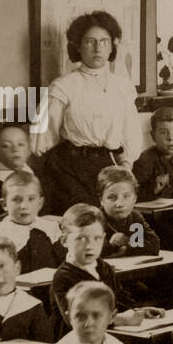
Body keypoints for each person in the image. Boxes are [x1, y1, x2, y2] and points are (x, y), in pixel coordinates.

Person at [32, 11, 140, 213]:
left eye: (104, 41)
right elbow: (43, 140)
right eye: (90, 42)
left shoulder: (122, 87)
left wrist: (125, 166)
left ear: (112, 46)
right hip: (70, 169)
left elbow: (130, 133)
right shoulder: (64, 87)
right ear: (78, 47)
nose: (98, 48)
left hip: (109, 166)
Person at [49, 204, 163, 333]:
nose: (89, 246)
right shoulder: (63, 276)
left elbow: (121, 302)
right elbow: (76, 320)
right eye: (80, 239)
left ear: (104, 238)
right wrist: (120, 319)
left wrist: (139, 312)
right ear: (64, 241)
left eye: (96, 238)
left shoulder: (104, 267)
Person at [0, 172, 63, 273]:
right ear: (4, 204)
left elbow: (62, 260)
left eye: (31, 199)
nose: (24, 206)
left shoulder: (50, 228)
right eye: (16, 200)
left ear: (40, 203)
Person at [98, 166, 160, 258]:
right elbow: (89, 250)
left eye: (126, 196)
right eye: (111, 197)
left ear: (134, 198)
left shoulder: (135, 218)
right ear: (101, 200)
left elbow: (154, 244)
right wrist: (110, 245)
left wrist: (127, 246)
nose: (119, 204)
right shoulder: (95, 220)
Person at [133, 107, 173, 200]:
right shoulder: (145, 161)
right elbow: (132, 192)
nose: (171, 138)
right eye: (164, 133)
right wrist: (154, 188)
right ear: (153, 136)